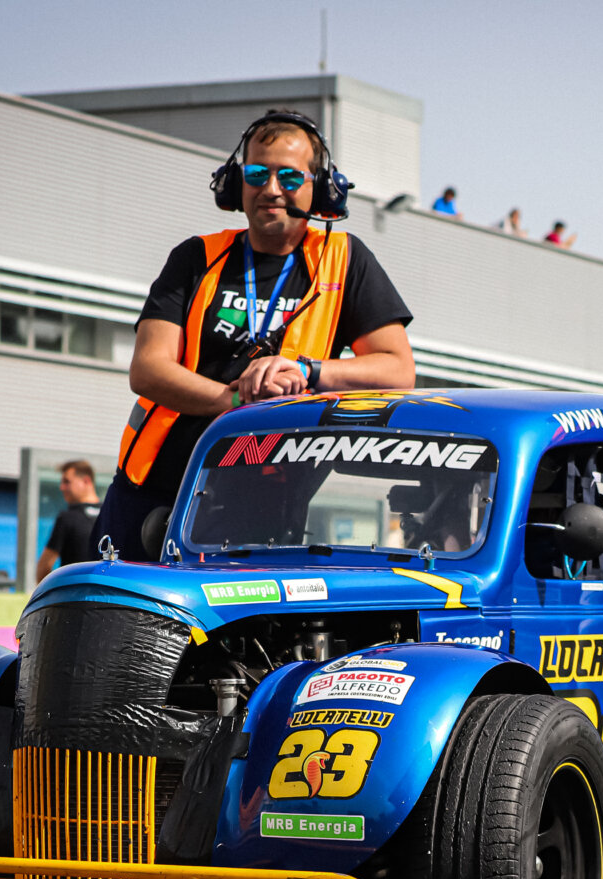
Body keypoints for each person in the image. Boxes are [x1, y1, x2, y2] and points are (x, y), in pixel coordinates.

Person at [99, 110, 415, 554]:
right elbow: (148, 369)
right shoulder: (195, 257)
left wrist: (306, 370)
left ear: (320, 187)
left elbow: (397, 370)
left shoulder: (345, 261)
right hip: (152, 488)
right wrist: (237, 402)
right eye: (255, 173)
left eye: (289, 176)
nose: (270, 189)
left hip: (267, 501)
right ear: (235, 182)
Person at [35, 459, 101, 582]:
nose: (62, 487)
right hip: (107, 596)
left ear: (86, 481)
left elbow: (45, 565)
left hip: (73, 596)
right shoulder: (109, 514)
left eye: (67, 482)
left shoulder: (67, 518)